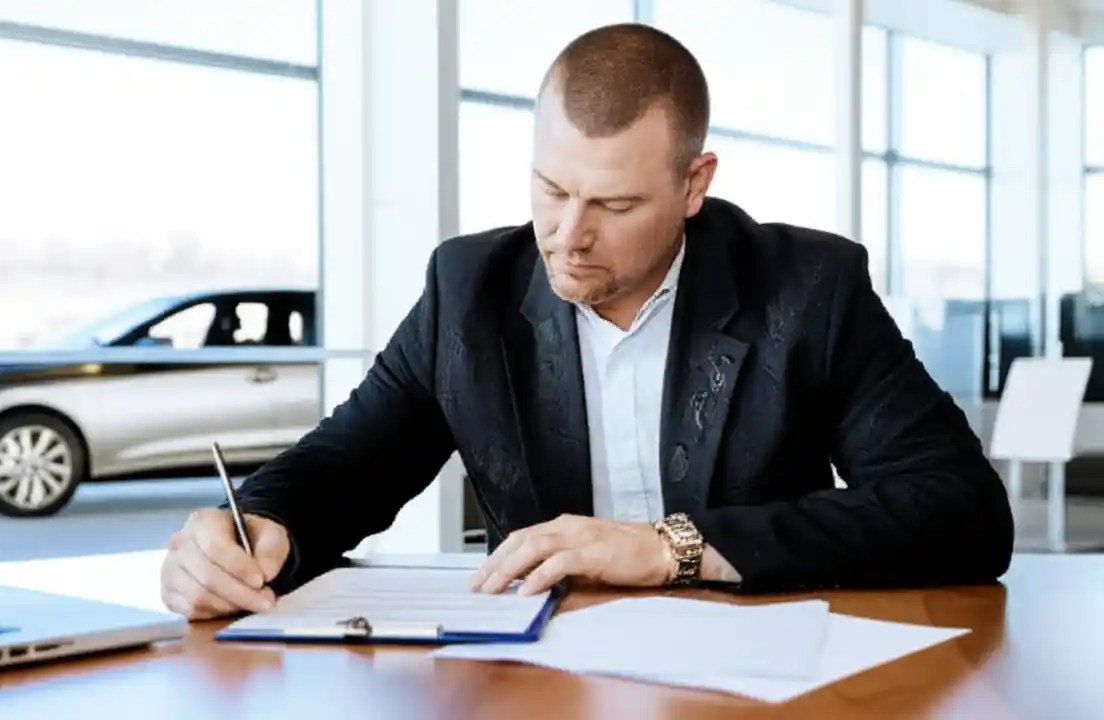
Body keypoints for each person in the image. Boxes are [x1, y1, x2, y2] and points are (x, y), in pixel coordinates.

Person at [160, 24, 1013, 620]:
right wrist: (251, 530)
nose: (568, 236)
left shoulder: (808, 289)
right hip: (540, 685)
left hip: (759, 687)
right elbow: (341, 470)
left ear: (694, 184)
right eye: (552, 189)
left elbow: (962, 512)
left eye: (615, 204)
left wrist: (673, 548)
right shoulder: (468, 291)